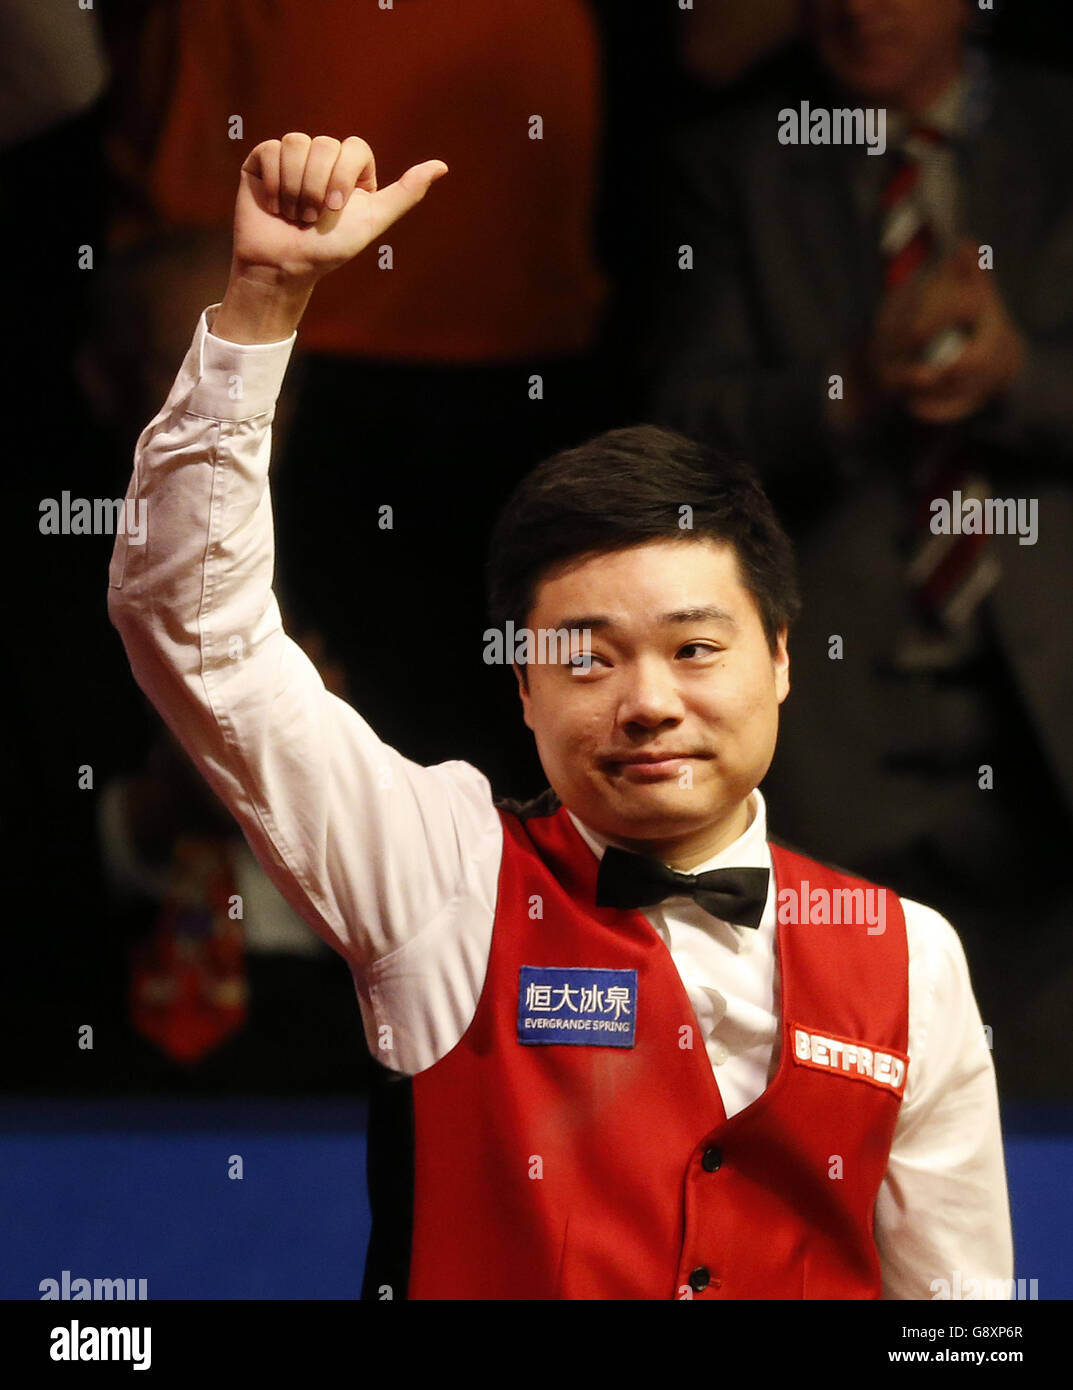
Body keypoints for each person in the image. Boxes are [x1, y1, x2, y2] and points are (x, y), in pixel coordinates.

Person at [108, 132, 1012, 1300]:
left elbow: (960, 1316)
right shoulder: (440, 876)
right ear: (521, 688)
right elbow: (194, 628)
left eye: (694, 648)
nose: (647, 702)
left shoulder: (912, 959)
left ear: (780, 659)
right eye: (586, 660)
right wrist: (265, 304)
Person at [642, 0, 1073, 1093]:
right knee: (826, 1099)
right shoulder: (734, 165)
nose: (856, 5)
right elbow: (680, 429)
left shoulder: (1059, 135)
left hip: (1044, 722)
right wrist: (850, 392)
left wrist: (1017, 378)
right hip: (827, 723)